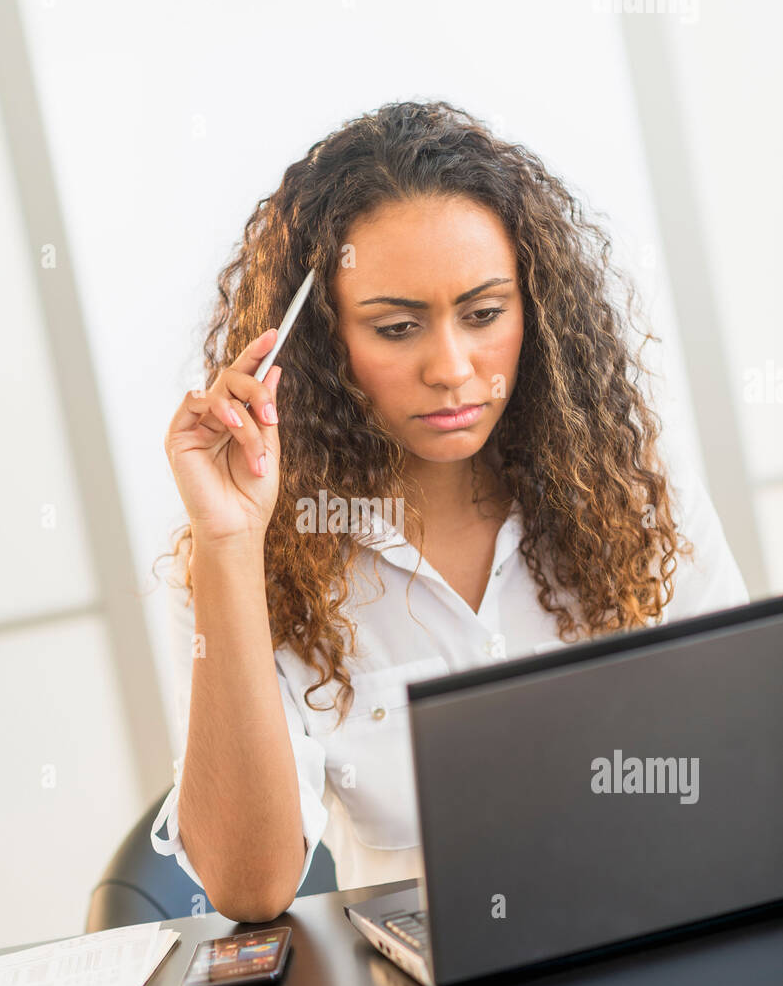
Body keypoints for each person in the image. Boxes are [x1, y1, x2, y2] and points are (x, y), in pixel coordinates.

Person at [151, 99, 748, 922]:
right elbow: (249, 889)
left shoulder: (636, 493)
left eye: (483, 314)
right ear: (321, 345)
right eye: (396, 328)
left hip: (668, 937)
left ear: (533, 310)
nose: (452, 369)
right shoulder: (262, 554)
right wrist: (227, 544)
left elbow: (745, 766)